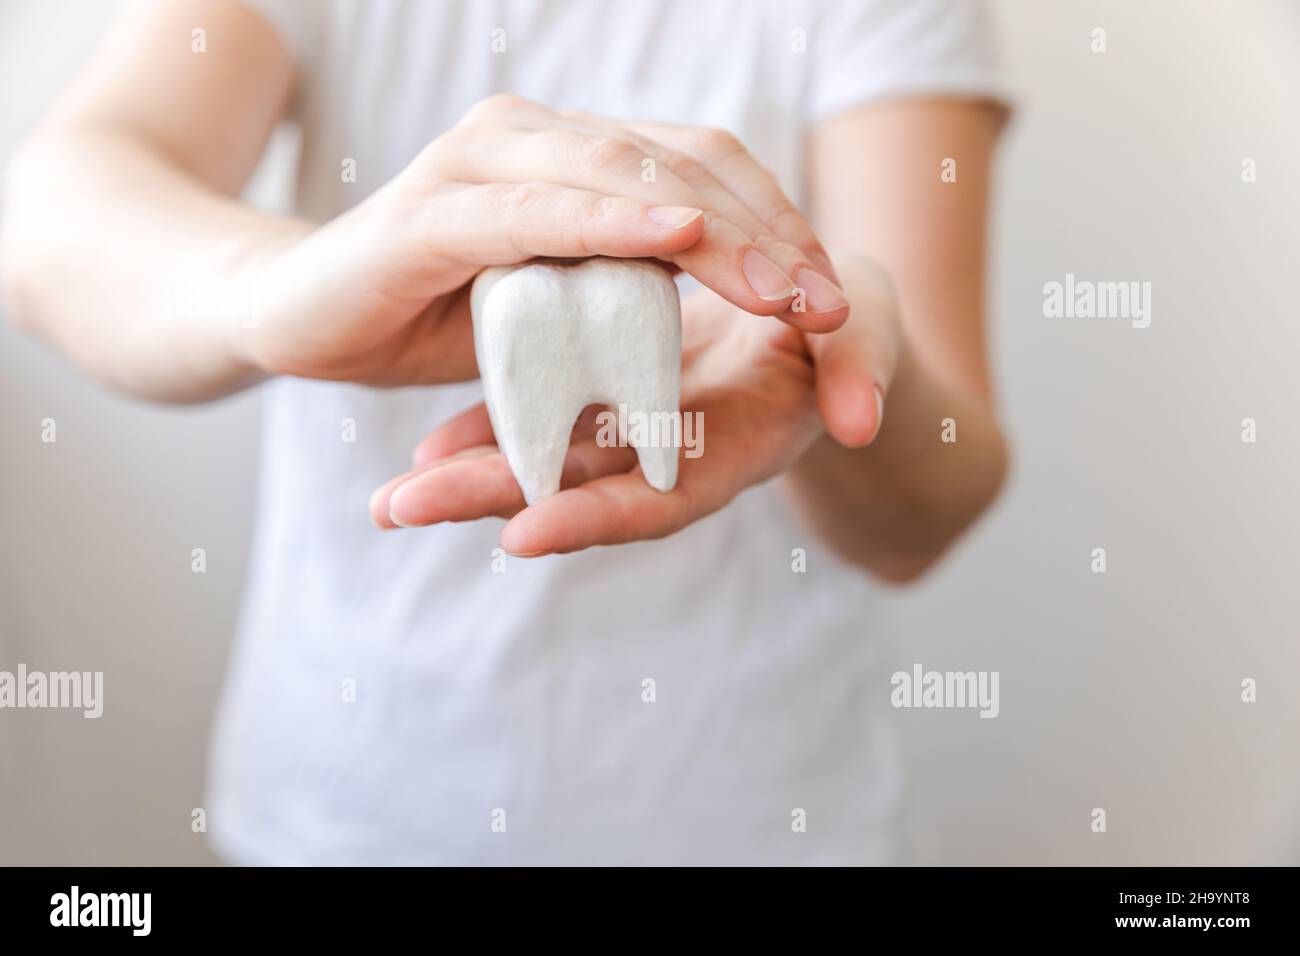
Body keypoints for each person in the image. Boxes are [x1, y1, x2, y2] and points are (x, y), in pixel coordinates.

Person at [0, 0, 1010, 865]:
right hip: (348, 811)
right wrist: (287, 290)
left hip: (752, 813)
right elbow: (49, 213)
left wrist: (848, 359)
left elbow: (922, 519)